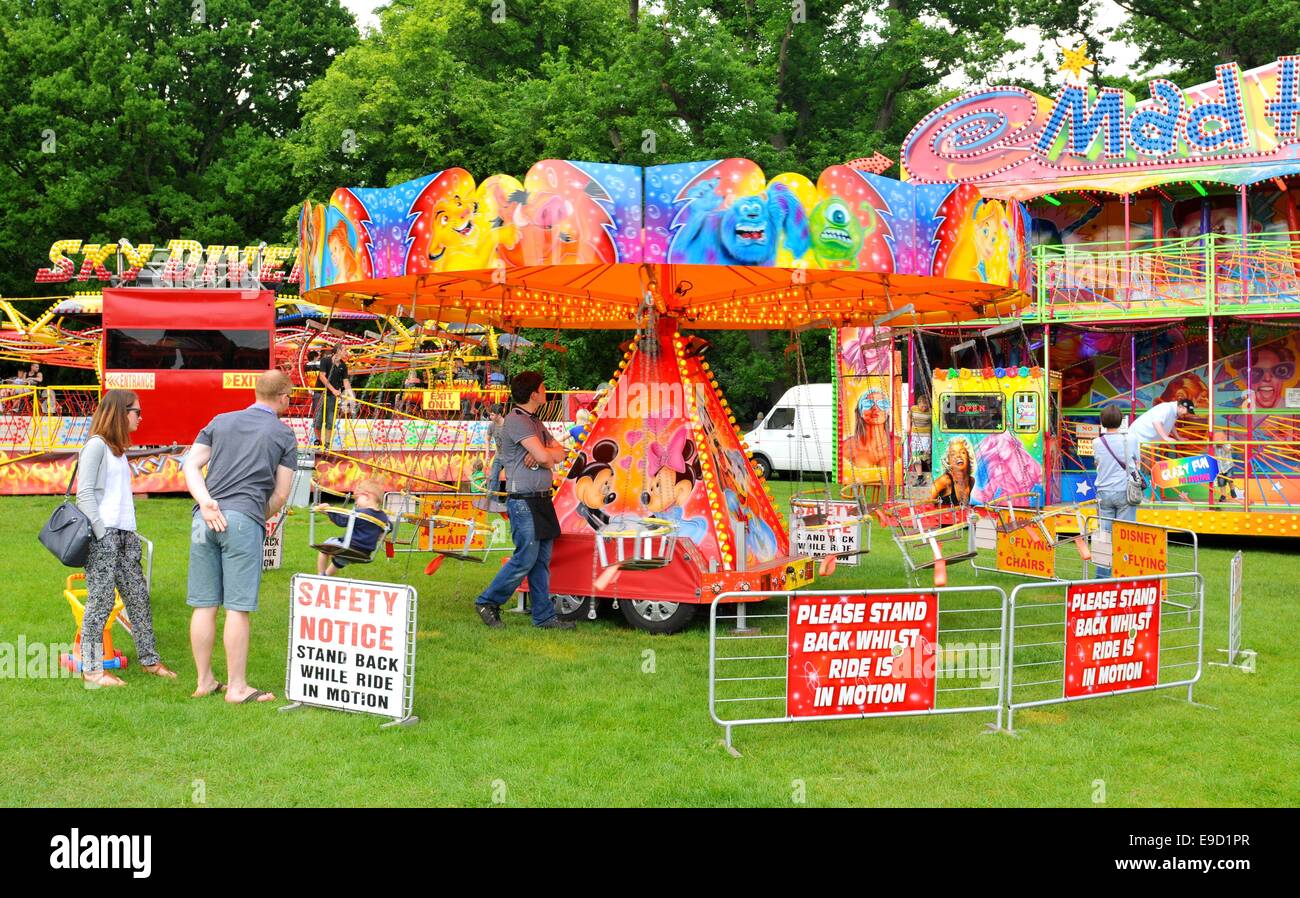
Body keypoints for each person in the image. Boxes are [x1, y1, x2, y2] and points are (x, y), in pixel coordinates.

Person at [183, 370, 297, 704]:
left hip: (204, 519)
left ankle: (204, 681)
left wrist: (205, 503)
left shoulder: (220, 420)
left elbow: (191, 466)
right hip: (244, 518)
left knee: (204, 604)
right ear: (282, 396)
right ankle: (236, 688)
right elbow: (280, 496)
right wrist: (252, 517)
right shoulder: (284, 434)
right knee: (237, 607)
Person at [74, 390, 176, 688]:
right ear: (120, 413)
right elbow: (85, 494)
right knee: (100, 601)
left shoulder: (118, 449)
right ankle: (92, 670)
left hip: (126, 535)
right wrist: (102, 533)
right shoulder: (96, 446)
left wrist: (128, 532)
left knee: (138, 599)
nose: (140, 417)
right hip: (103, 536)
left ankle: (150, 660)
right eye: (136, 412)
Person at [473, 372, 573, 630]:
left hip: (540, 499)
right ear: (533, 394)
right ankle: (488, 601)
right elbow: (544, 456)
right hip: (524, 501)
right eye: (543, 387)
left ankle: (544, 616)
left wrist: (544, 453)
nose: (546, 391)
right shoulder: (517, 421)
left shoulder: (535, 421)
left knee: (541, 560)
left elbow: (560, 453)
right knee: (526, 558)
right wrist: (543, 454)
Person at [1091, 406, 1135, 578]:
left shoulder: (1097, 442)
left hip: (1104, 491)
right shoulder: (1129, 440)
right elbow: (1134, 463)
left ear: (1103, 422)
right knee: (1125, 534)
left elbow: (1097, 462)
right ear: (1121, 421)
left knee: (1104, 537)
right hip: (1124, 490)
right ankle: (1123, 574)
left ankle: (1102, 576)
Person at [314, 478, 390, 576]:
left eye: (357, 498)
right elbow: (389, 527)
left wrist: (328, 510)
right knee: (338, 562)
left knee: (325, 548)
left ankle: (320, 575)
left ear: (367, 496)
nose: (356, 503)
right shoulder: (383, 516)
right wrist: (381, 534)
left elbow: (342, 520)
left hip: (349, 547)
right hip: (364, 553)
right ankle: (326, 577)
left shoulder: (360, 513)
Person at [1126, 397, 1194, 474]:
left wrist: (1178, 437)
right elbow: (1156, 422)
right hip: (1140, 438)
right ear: (1181, 407)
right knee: (1141, 466)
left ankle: (1142, 482)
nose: (1187, 415)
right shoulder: (1167, 408)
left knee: (1146, 466)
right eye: (1187, 412)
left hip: (1148, 441)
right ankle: (1138, 482)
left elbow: (1170, 424)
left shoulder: (1174, 412)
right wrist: (1165, 437)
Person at [315, 343, 350, 450]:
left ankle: (327, 444)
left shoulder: (343, 365)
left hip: (333, 395)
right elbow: (322, 376)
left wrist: (349, 394)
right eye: (345, 350)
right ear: (338, 350)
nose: (347, 352)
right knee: (318, 418)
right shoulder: (325, 360)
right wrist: (333, 390)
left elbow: (345, 381)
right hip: (321, 393)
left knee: (330, 420)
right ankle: (317, 441)